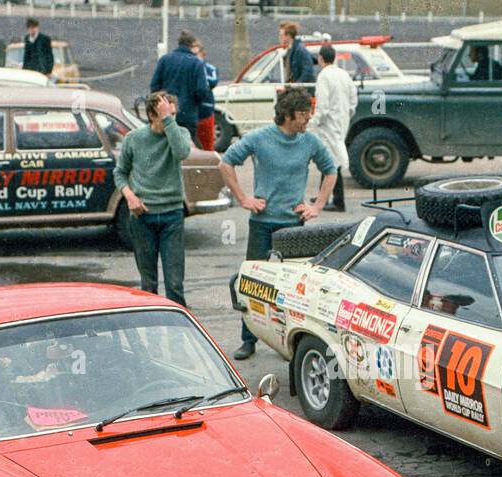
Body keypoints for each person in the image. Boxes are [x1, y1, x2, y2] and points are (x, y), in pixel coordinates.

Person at [219, 88, 337, 360]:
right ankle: (248, 340)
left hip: (293, 227)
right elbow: (225, 164)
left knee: (291, 290)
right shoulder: (259, 138)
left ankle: (286, 342)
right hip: (262, 223)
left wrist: (316, 206)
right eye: (304, 114)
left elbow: (330, 170)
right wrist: (244, 199)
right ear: (289, 115)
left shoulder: (310, 142)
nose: (309, 118)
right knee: (252, 284)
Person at [114, 91, 192, 303]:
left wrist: (168, 120)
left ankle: (178, 329)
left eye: (173, 114)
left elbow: (182, 152)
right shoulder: (134, 139)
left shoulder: (179, 133)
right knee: (148, 283)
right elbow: (119, 172)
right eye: (165, 114)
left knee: (175, 283)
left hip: (172, 214)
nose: (171, 119)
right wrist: (129, 196)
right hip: (143, 216)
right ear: (151, 115)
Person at [308, 44, 356, 212]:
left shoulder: (323, 76)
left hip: (328, 124)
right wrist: (347, 114)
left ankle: (338, 201)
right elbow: (353, 99)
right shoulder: (344, 74)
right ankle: (324, 196)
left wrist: (313, 123)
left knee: (331, 162)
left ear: (321, 58)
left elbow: (323, 105)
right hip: (342, 121)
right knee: (329, 158)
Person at [149, 29, 209, 142]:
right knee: (186, 149)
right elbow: (201, 90)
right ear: (192, 45)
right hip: (188, 115)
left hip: (166, 114)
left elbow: (154, 86)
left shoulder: (164, 60)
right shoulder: (196, 63)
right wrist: (194, 103)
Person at [194, 42, 219, 151]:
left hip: (205, 111)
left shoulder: (210, 68)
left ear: (202, 54)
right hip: (191, 113)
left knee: (207, 146)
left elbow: (213, 82)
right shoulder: (189, 67)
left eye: (196, 54)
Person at [279, 22, 316, 89]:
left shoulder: (300, 50)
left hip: (303, 93)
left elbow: (308, 71)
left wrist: (296, 86)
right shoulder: (291, 50)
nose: (280, 38)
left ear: (289, 36)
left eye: (282, 35)